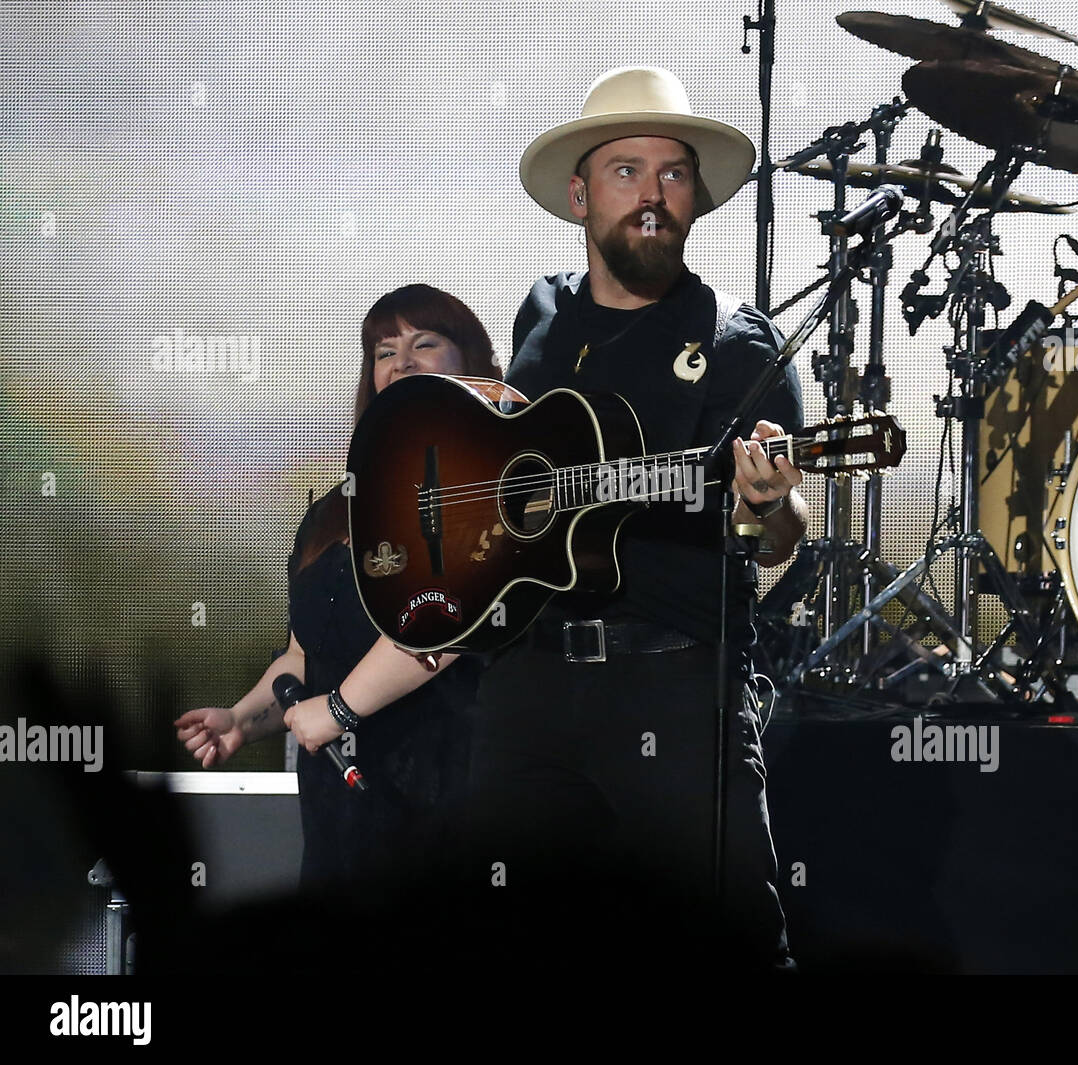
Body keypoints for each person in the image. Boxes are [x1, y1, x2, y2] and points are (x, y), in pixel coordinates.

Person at [461, 66, 808, 971]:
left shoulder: (742, 344)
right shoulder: (539, 318)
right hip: (524, 691)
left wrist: (763, 506)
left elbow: (783, 534)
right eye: (627, 171)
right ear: (579, 194)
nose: (652, 196)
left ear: (695, 198)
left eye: (674, 174)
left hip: (675, 691)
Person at [173, 283, 497, 888]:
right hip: (338, 822)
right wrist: (243, 720)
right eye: (383, 351)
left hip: (445, 804)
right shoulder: (329, 514)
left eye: (425, 343)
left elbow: (450, 621)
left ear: (470, 363)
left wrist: (341, 709)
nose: (401, 362)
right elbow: (302, 656)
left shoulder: (486, 490)